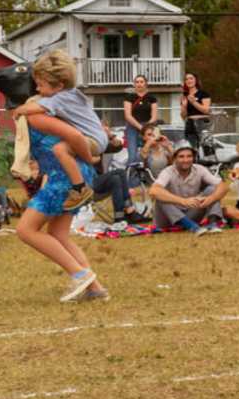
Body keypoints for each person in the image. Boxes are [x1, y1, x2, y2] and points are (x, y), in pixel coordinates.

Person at [12, 56, 107, 302]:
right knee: (58, 233)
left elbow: (74, 135)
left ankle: (80, 275)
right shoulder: (48, 105)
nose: (38, 89)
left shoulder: (37, 113)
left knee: (25, 230)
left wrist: (90, 159)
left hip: (66, 177)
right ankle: (94, 288)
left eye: (41, 84)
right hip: (68, 173)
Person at [9, 49, 111, 211]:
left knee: (60, 149)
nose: (37, 89)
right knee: (63, 147)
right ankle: (88, 163)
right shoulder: (71, 93)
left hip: (93, 139)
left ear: (59, 85)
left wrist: (19, 109)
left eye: (41, 85)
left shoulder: (60, 98)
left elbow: (35, 108)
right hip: (97, 136)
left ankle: (80, 188)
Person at [149, 142, 229, 234]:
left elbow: (224, 186)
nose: (186, 160)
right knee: (160, 196)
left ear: (193, 157)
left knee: (212, 189)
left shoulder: (199, 169)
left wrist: (211, 198)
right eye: (181, 156)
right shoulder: (167, 172)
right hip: (166, 220)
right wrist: (183, 201)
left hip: (190, 215)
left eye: (189, 156)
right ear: (175, 158)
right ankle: (193, 227)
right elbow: (153, 191)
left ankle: (212, 225)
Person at [123, 74, 158, 167]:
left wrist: (147, 128)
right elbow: (128, 116)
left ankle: (148, 178)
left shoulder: (152, 98)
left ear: (146, 84)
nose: (139, 84)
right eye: (137, 82)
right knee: (132, 156)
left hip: (148, 127)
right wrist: (140, 127)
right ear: (134, 84)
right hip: (132, 127)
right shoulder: (129, 97)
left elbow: (154, 116)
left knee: (148, 155)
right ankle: (131, 179)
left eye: (141, 82)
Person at [180, 72, 211, 152]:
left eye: (191, 78)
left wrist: (194, 102)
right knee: (191, 149)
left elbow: (206, 110)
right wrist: (184, 106)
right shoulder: (184, 96)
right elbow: (183, 116)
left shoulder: (203, 93)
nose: (189, 80)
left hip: (202, 124)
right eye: (186, 79)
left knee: (206, 149)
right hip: (190, 124)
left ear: (196, 80)